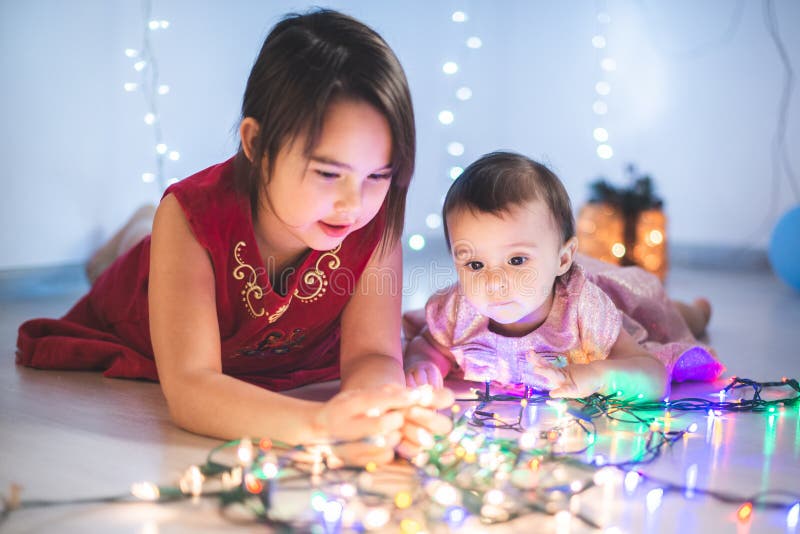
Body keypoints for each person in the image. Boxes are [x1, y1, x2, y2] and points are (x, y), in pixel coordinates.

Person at [17, 9, 453, 465]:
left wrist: (382, 412)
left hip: (274, 340)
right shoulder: (191, 217)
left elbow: (372, 354)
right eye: (328, 173)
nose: (352, 202)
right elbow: (191, 388)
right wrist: (318, 426)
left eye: (377, 175)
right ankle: (134, 233)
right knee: (137, 256)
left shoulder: (372, 221)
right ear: (255, 143)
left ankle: (139, 230)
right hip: (144, 303)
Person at [403, 151, 724, 399]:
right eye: (474, 265)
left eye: (516, 260)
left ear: (563, 258)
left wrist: (598, 375)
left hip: (622, 302)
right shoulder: (458, 312)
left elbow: (653, 377)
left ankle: (697, 312)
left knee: (663, 316)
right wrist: (424, 364)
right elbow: (429, 345)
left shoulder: (584, 310)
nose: (494, 281)